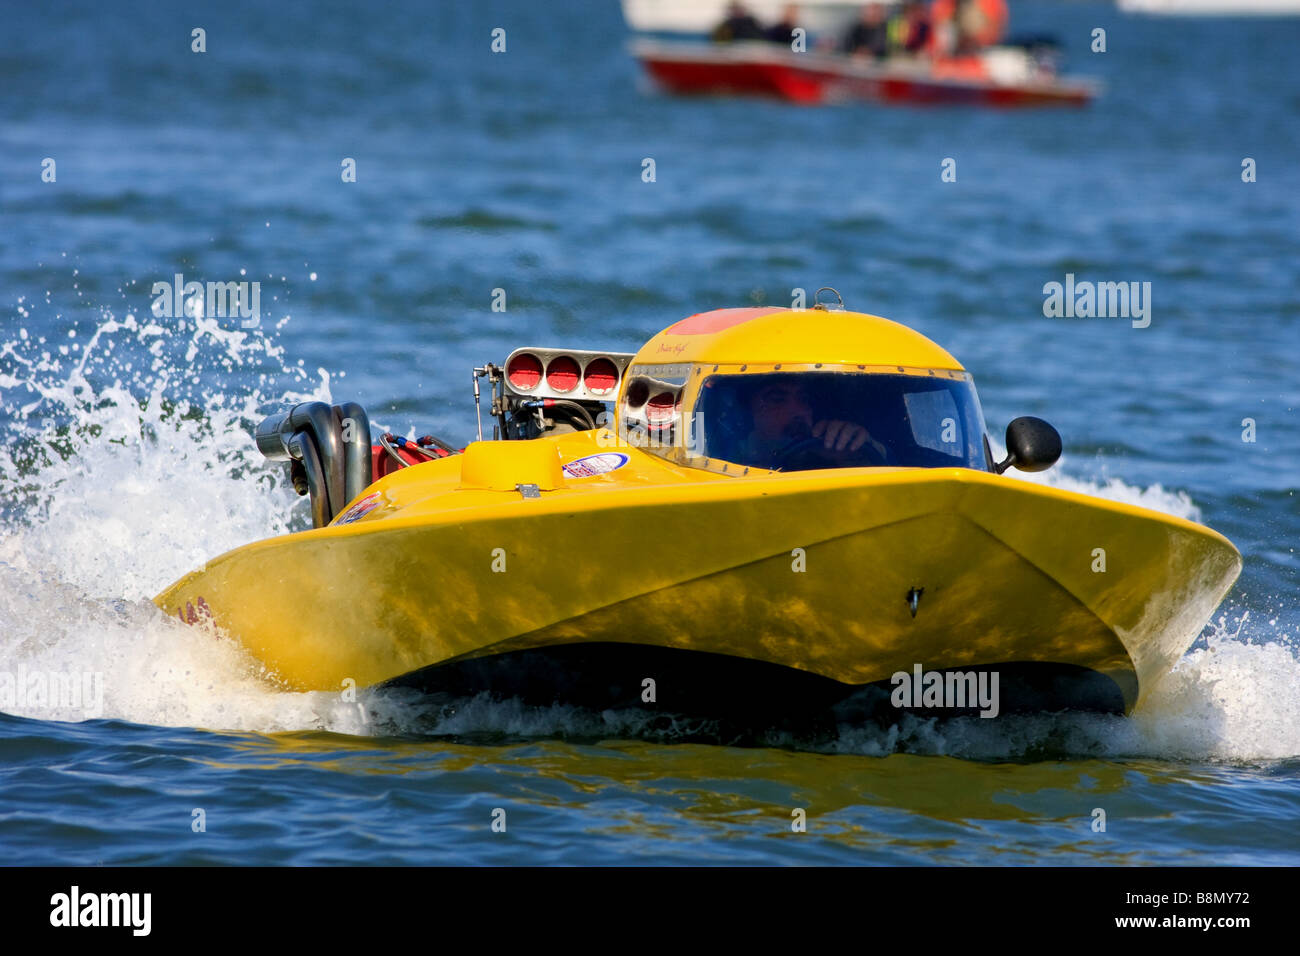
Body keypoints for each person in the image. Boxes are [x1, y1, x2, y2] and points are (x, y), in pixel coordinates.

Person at [737, 379, 888, 469]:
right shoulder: (725, 460)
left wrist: (857, 454)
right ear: (749, 410)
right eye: (777, 400)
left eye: (804, 399)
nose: (800, 411)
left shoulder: (829, 459)